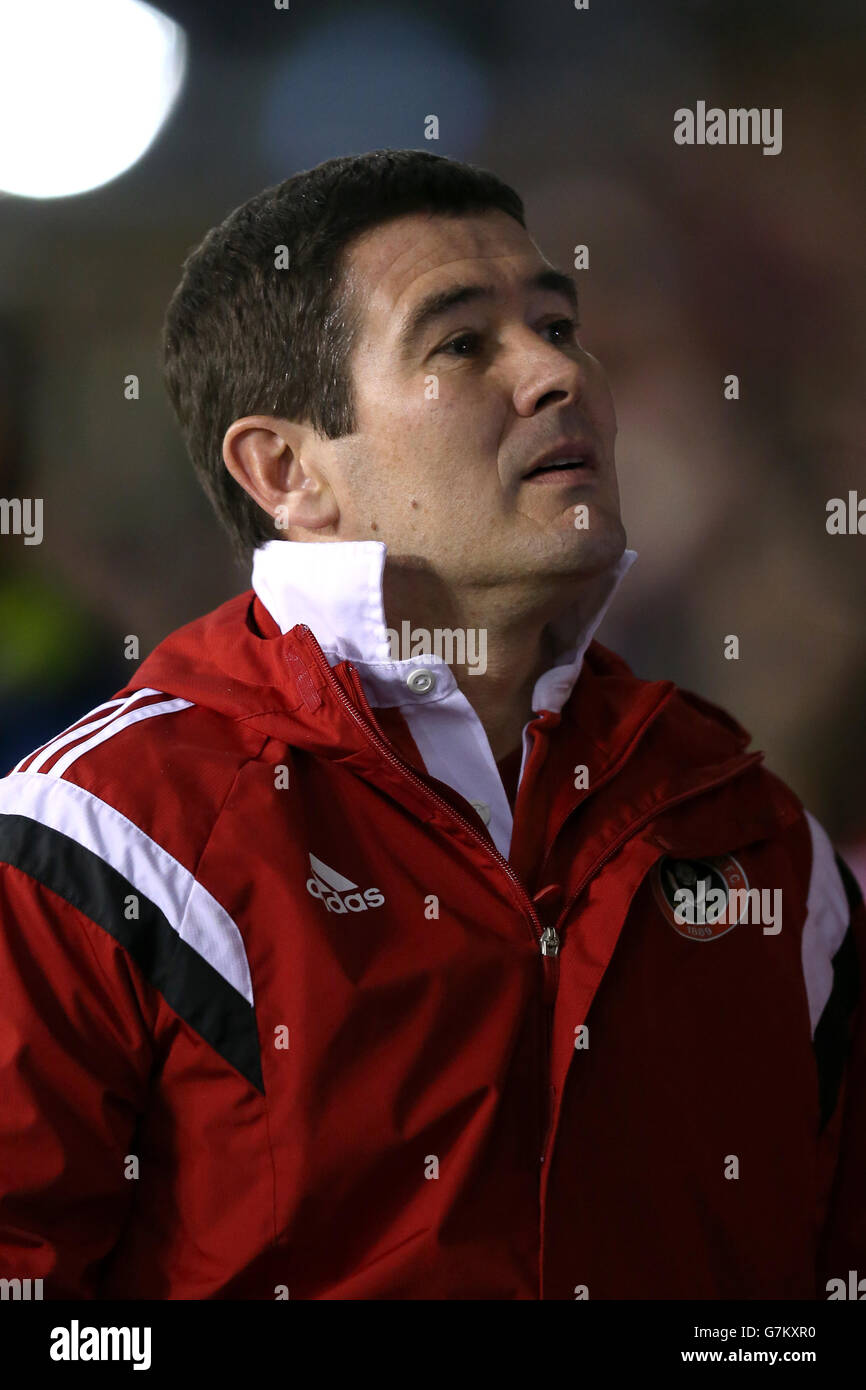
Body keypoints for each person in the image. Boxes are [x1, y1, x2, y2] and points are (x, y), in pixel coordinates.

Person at [0, 149, 862, 1301]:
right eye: (461, 342)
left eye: (557, 321)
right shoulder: (101, 839)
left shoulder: (749, 826)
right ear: (286, 471)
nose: (555, 370)